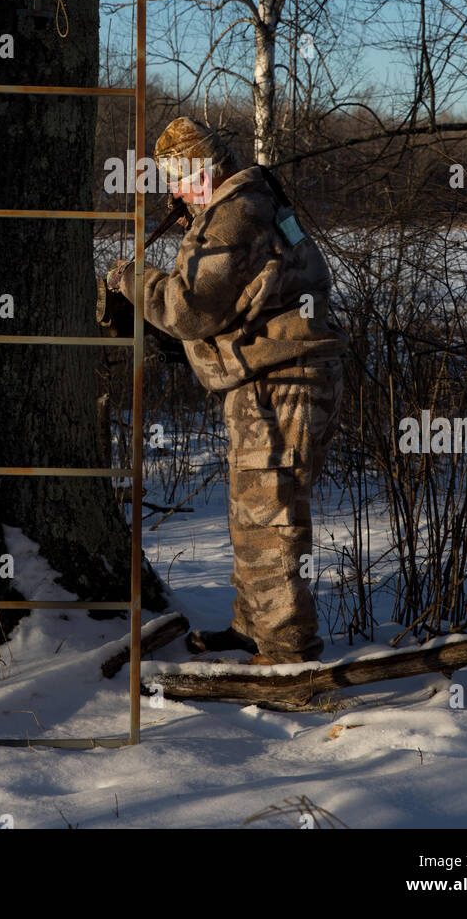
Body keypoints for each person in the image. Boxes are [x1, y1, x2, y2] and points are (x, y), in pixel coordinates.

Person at [106, 117, 348, 664]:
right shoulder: (243, 202)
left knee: (273, 517)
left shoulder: (237, 210)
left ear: (208, 169)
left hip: (285, 379)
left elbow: (191, 307)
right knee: (251, 511)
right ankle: (252, 630)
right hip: (273, 376)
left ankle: (288, 652)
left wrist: (133, 282)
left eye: (179, 175)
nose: (172, 189)